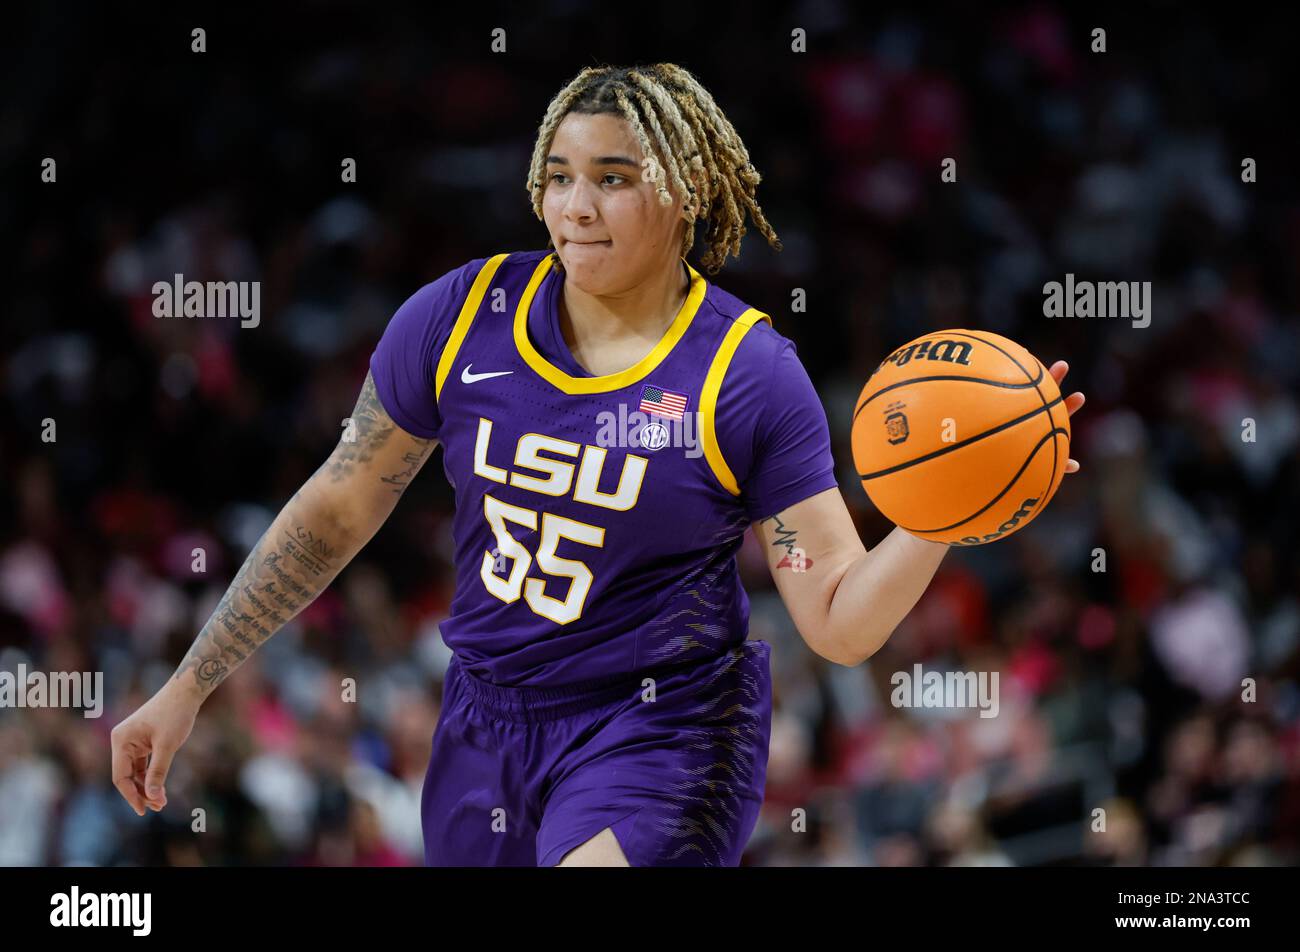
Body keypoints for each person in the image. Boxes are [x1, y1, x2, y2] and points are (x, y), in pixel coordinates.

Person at [110, 62, 1085, 866]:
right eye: (560, 174)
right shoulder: (458, 316)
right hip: (484, 719)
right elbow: (337, 506)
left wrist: (939, 513)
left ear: (684, 192)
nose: (576, 204)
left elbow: (834, 622)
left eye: (614, 176)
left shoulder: (745, 374)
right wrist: (189, 683)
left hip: (663, 725)